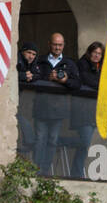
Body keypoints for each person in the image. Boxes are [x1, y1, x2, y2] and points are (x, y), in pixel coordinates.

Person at [32, 33, 78, 174]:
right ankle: (36, 170)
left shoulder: (69, 64)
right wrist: (48, 78)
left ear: (63, 46)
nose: (57, 47)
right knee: (40, 139)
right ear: (49, 44)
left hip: (58, 110)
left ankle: (45, 171)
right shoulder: (39, 61)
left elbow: (77, 83)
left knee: (52, 140)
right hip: (41, 107)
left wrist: (64, 80)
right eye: (55, 44)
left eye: (60, 45)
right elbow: (33, 78)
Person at [70, 41, 103, 178]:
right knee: (84, 142)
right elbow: (87, 80)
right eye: (94, 53)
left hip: (92, 112)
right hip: (82, 111)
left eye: (99, 54)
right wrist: (102, 84)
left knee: (85, 144)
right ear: (89, 53)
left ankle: (77, 173)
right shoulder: (82, 64)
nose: (96, 56)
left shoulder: (99, 67)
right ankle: (59, 141)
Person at [16, 41, 40, 157]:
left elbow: (39, 74)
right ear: (22, 52)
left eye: (34, 54)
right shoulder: (16, 59)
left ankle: (28, 142)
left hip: (19, 100)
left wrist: (31, 76)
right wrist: (23, 76)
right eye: (29, 53)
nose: (31, 56)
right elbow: (8, 73)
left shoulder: (32, 62)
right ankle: (29, 141)